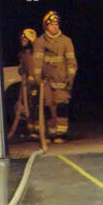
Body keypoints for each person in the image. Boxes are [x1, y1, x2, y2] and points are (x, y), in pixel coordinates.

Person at [32, 10, 76, 139]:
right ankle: (51, 132)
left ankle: (61, 133)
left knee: (61, 105)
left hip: (62, 80)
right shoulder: (40, 42)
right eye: (52, 24)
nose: (55, 26)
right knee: (48, 106)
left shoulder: (66, 41)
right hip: (47, 81)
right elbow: (37, 61)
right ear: (46, 26)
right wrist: (37, 78)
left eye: (57, 24)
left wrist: (70, 77)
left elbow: (72, 62)